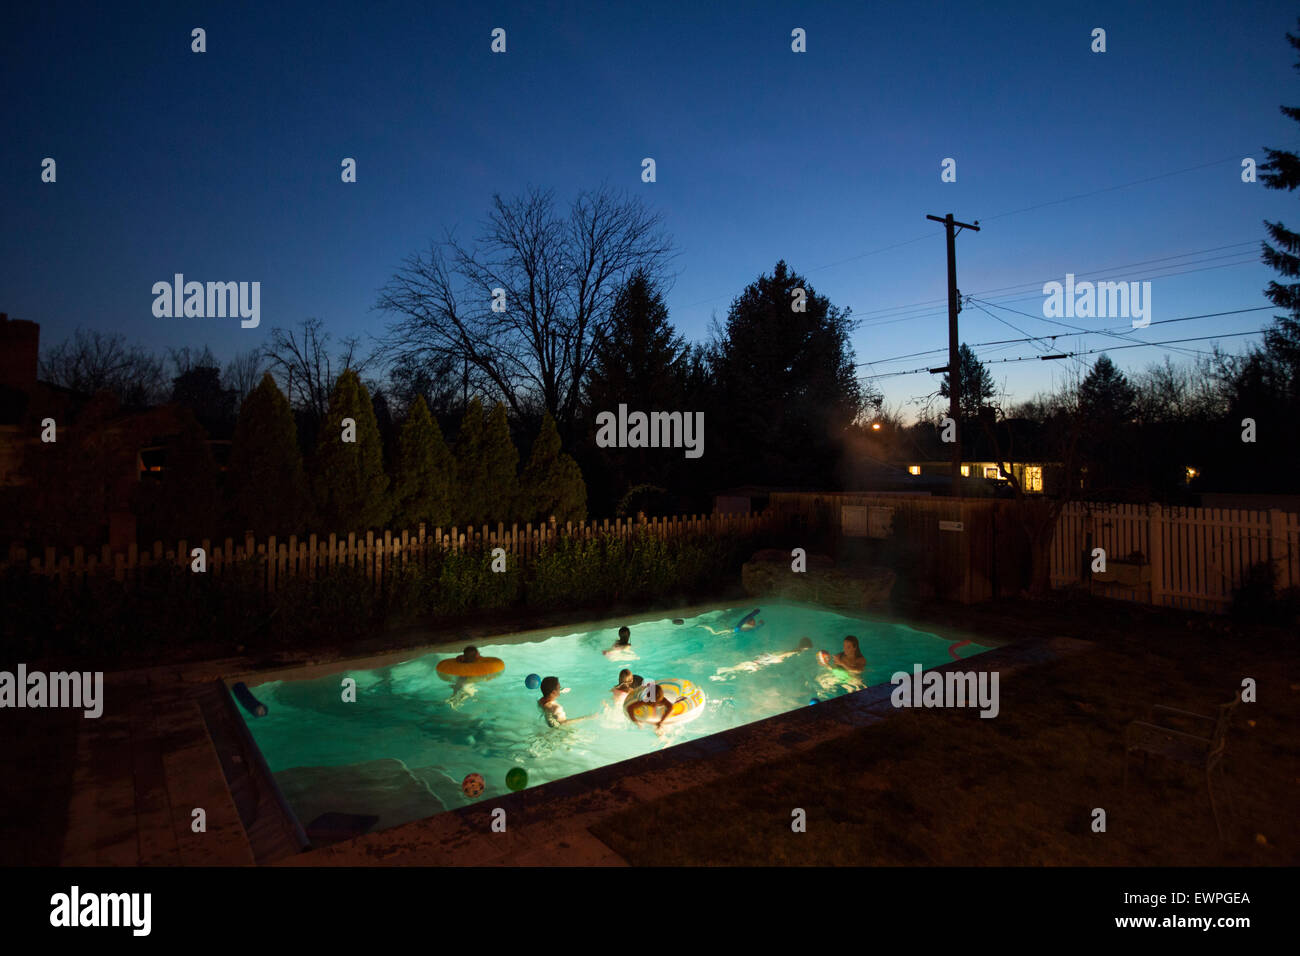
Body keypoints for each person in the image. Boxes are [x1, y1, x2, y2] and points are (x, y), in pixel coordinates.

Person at [711, 637, 815, 680]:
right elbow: (784, 654)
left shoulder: (795, 650)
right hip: (768, 659)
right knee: (742, 667)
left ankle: (722, 671)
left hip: (767, 657)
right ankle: (720, 671)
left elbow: (785, 654)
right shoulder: (794, 651)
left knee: (745, 666)